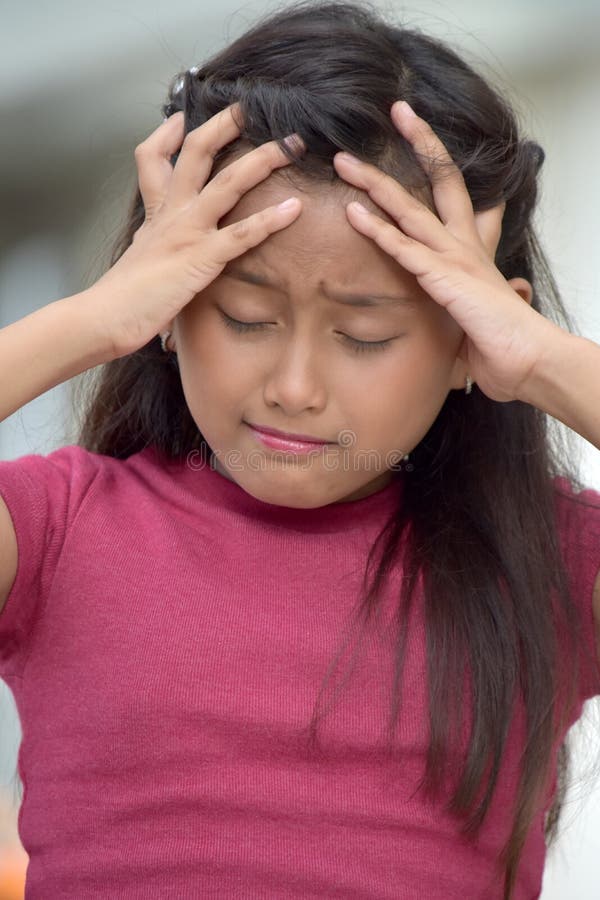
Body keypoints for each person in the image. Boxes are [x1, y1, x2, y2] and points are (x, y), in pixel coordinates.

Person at [0, 0, 599, 897]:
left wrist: (545, 358)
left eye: (364, 335)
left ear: (474, 341)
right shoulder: (56, 530)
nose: (293, 385)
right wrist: (90, 322)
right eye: (243, 316)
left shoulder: (544, 563)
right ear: (165, 307)